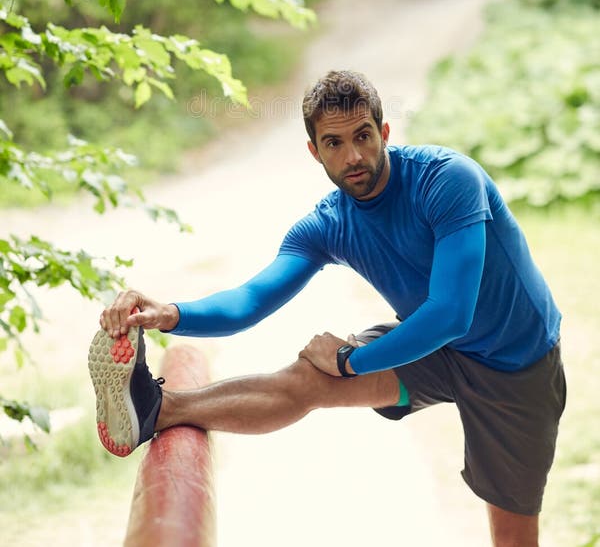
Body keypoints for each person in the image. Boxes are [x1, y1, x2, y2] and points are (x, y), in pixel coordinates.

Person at [89, 70, 565, 547]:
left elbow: (451, 313)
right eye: (333, 143)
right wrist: (169, 312)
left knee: (514, 540)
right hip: (435, 350)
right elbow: (249, 303)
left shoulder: (446, 181)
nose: (353, 156)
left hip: (516, 365)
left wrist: (349, 360)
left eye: (362, 136)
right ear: (315, 151)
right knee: (308, 380)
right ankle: (156, 410)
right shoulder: (327, 224)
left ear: (384, 133)